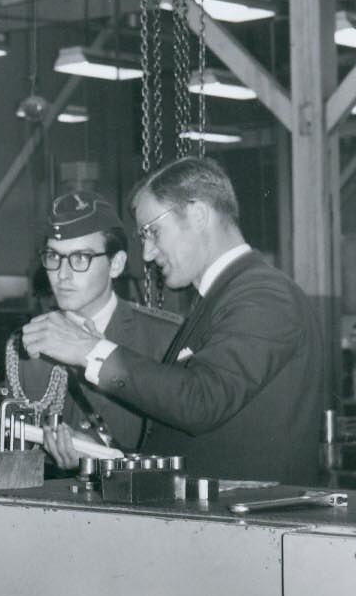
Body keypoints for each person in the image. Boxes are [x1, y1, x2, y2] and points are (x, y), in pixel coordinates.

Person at [21, 155, 325, 485]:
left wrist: (89, 349)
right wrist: (104, 455)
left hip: (247, 524)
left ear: (197, 215)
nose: (148, 254)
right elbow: (186, 436)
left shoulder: (264, 296)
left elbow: (201, 402)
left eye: (152, 232)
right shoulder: (220, 301)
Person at [15, 191, 181, 467]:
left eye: (80, 258)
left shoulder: (164, 338)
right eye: (53, 257)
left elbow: (180, 454)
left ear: (115, 265)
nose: (62, 274)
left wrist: (103, 461)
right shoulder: (26, 344)